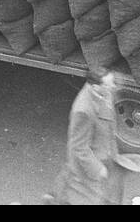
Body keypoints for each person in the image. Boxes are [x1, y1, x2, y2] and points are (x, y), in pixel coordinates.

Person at [48, 72, 126, 205]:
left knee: (110, 192)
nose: (113, 86)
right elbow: (79, 147)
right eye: (109, 84)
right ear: (95, 87)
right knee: (89, 198)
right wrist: (97, 169)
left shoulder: (102, 92)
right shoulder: (83, 110)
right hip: (92, 163)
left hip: (105, 154)